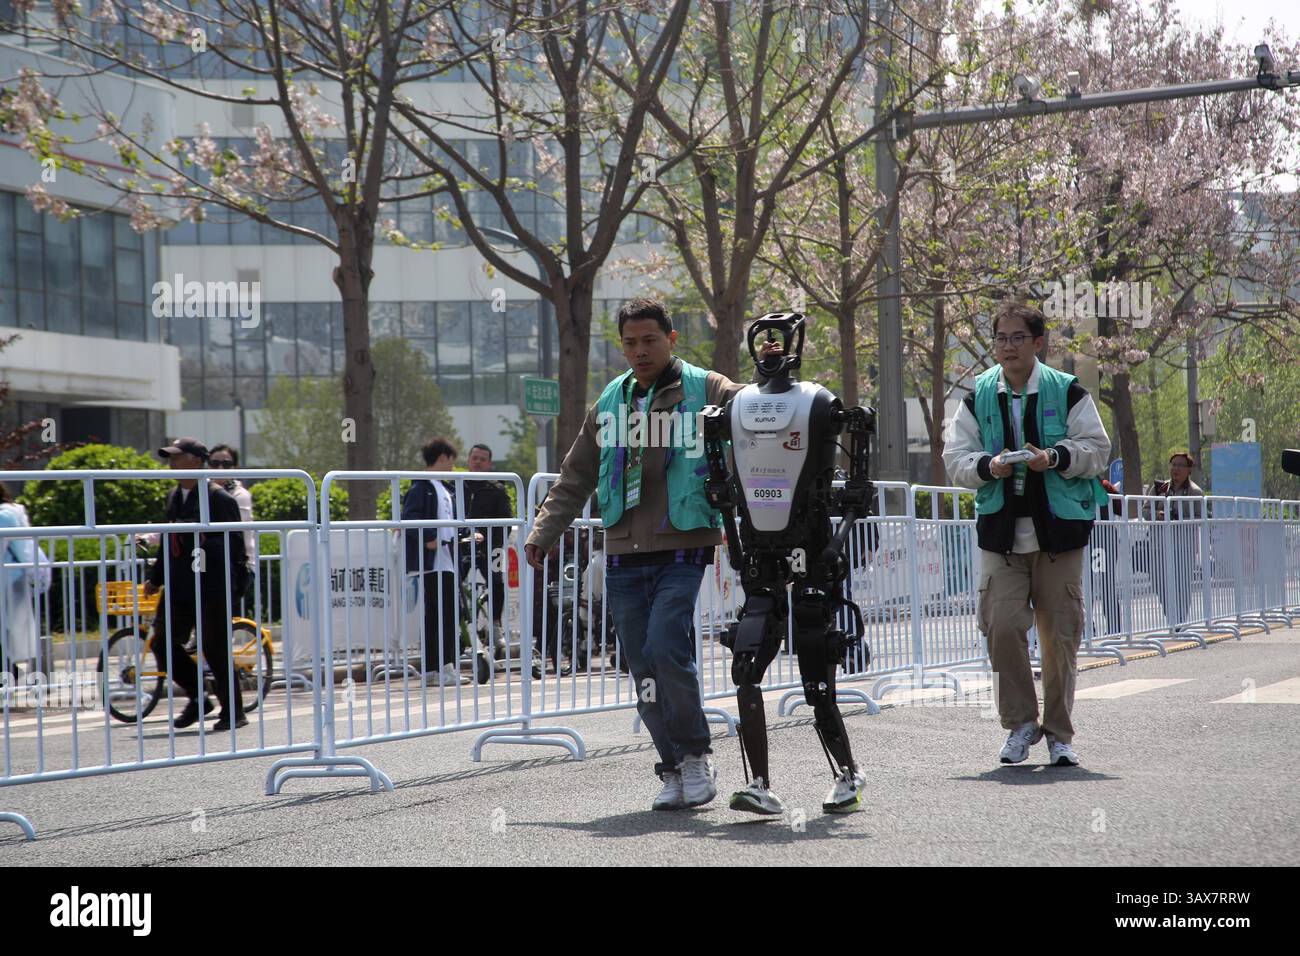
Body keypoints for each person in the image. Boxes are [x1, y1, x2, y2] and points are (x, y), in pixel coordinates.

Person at [524, 297, 779, 811]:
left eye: (650, 340)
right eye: (630, 343)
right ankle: (672, 764)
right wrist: (542, 533)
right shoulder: (611, 402)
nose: (640, 351)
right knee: (639, 665)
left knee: (666, 646)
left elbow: (755, 406)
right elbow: (575, 477)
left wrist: (771, 373)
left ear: (672, 339)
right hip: (622, 549)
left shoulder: (706, 388)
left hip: (684, 542)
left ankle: (695, 757)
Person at [942, 301, 1110, 767]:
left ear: (1039, 344)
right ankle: (1020, 724)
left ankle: (1059, 734)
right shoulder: (977, 395)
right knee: (1000, 624)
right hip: (1000, 533)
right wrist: (986, 466)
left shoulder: (1068, 391)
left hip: (1058, 534)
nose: (1008, 346)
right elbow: (955, 456)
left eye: (1018, 337)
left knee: (1060, 634)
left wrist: (1055, 457)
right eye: (1000, 338)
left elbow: (1097, 449)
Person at [143, 438, 250, 731]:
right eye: (169, 458)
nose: (171, 463)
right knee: (162, 642)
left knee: (214, 648)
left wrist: (206, 542)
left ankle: (234, 712)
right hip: (179, 586)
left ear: (195, 460)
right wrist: (156, 577)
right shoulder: (174, 496)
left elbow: (236, 547)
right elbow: (169, 538)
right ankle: (198, 697)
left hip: (212, 586)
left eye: (176, 457)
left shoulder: (220, 500)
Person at [401, 438, 466, 686]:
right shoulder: (422, 486)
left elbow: (454, 521)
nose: (452, 466)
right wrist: (428, 538)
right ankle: (438, 668)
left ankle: (439, 667)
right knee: (439, 614)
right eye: (451, 460)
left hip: (448, 560)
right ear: (442, 458)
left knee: (446, 613)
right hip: (432, 562)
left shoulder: (446, 488)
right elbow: (410, 517)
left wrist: (465, 535)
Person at [1145, 452, 1205, 631]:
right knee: (1158, 581)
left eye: (1180, 465)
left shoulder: (1195, 492)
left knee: (1182, 586)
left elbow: (1201, 517)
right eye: (1173, 464)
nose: (1175, 469)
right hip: (1159, 546)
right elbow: (1145, 511)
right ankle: (1172, 616)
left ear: (1188, 470)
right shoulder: (1159, 488)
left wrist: (1177, 517)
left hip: (1183, 547)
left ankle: (1179, 620)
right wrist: (1157, 515)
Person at [463, 443, 512, 659]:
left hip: (492, 547)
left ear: (489, 463)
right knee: (452, 583)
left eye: (483, 459)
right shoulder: (458, 485)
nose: (478, 462)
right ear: (468, 460)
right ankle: (460, 627)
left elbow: (506, 523)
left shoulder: (497, 488)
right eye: (475, 458)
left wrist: (492, 543)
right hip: (462, 544)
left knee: (497, 580)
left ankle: (495, 626)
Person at [0, 484, 43, 683]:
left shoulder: (6, 515)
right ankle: (11, 674)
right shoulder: (10, 514)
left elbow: (23, 549)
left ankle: (11, 675)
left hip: (9, 582)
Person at [208, 444, 256, 614]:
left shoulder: (239, 495)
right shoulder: (202, 490)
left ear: (235, 467)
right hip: (210, 564)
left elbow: (236, 533)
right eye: (214, 464)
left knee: (217, 620)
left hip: (238, 566)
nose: (220, 468)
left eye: (226, 464)